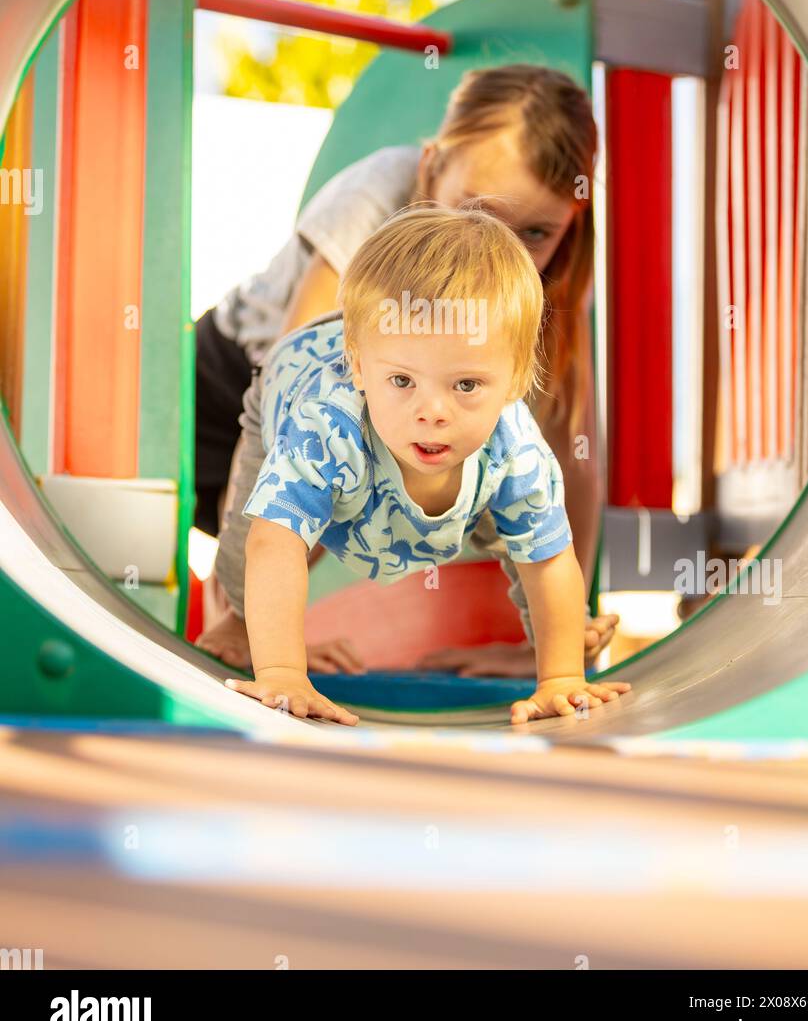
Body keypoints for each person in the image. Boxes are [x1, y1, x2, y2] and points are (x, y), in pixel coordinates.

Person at [196, 63, 615, 672]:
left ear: (569, 226)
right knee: (328, 450)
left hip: (400, 396)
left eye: (535, 231)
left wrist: (548, 647)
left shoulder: (534, 284)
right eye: (479, 211)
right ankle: (237, 622)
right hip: (241, 381)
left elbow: (570, 450)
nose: (497, 250)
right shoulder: (375, 197)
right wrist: (262, 643)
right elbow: (303, 399)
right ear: (429, 169)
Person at [220, 206, 631, 725]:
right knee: (250, 540)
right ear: (360, 367)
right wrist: (282, 671)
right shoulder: (324, 424)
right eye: (403, 382)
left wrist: (562, 678)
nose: (432, 411)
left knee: (522, 537)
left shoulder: (514, 445)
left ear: (516, 379)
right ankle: (236, 623)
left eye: (465, 385)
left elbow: (549, 559)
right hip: (289, 378)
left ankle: (557, 638)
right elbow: (275, 542)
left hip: (458, 467)